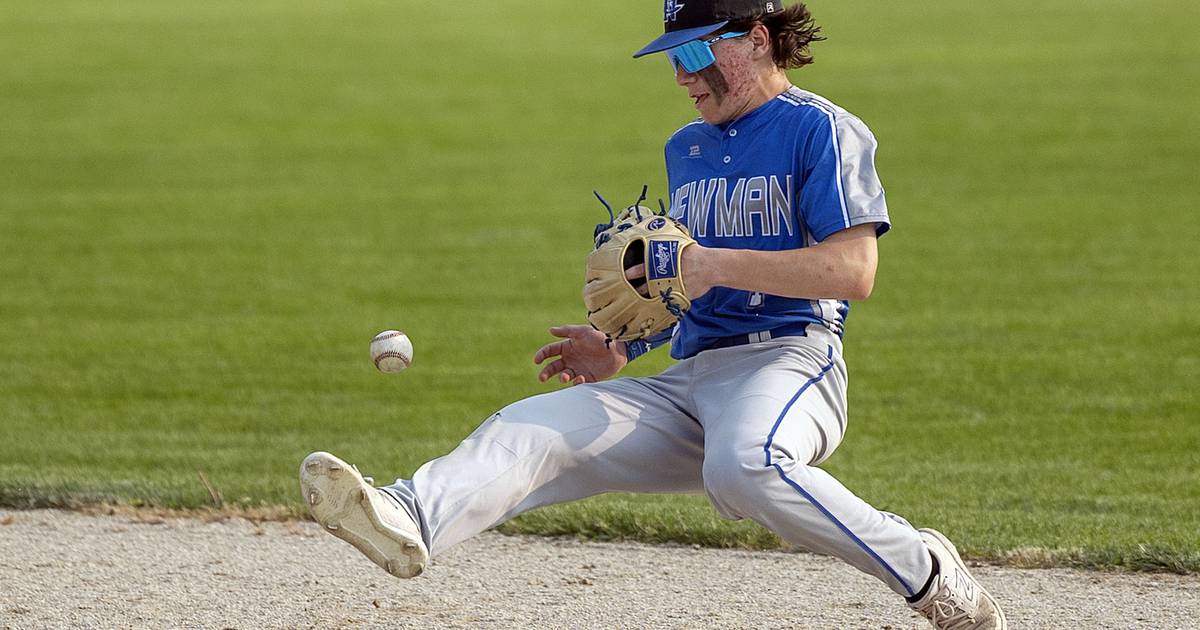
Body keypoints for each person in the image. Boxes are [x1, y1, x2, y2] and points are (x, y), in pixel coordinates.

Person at [299, 1, 1007, 628]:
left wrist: (711, 262)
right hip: (692, 377)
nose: (682, 74)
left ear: (757, 39)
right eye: (675, 56)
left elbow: (854, 272)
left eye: (698, 51)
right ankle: (406, 513)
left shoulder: (821, 130)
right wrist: (623, 347)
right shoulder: (686, 147)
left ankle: (926, 573)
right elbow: (681, 283)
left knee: (744, 467)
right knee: (535, 428)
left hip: (791, 362)